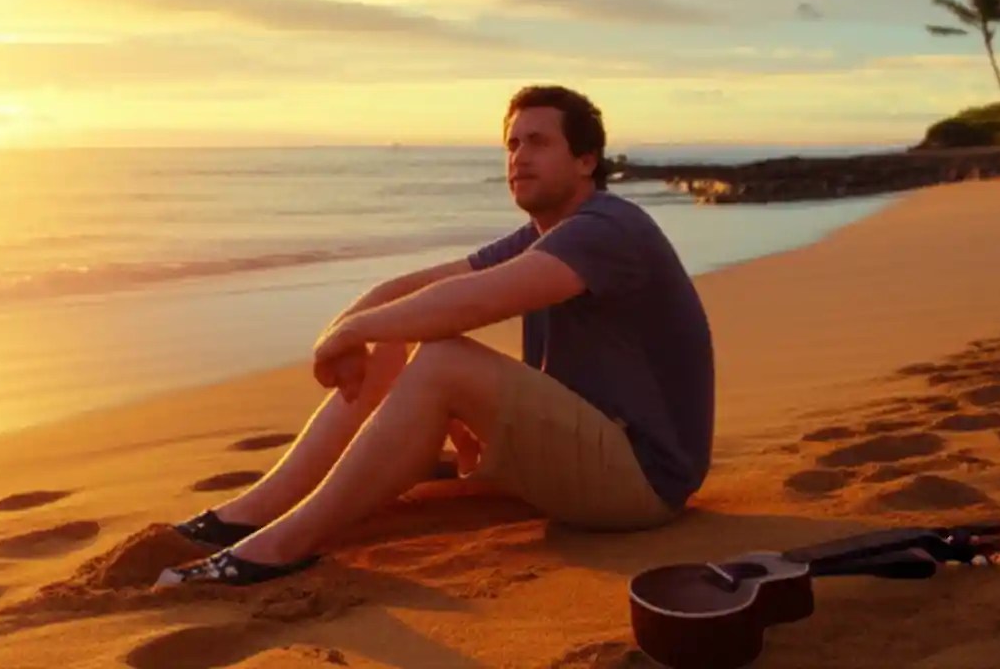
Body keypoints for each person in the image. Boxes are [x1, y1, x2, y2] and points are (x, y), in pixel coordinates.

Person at [155, 85, 716, 587]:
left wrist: (357, 331)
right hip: (593, 453)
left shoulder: (606, 230)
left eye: (539, 142)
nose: (519, 157)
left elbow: (469, 303)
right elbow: (423, 285)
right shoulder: (544, 234)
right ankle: (254, 510)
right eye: (512, 144)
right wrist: (345, 330)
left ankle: (281, 545)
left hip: (642, 483)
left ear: (586, 160)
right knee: (404, 342)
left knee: (441, 355)